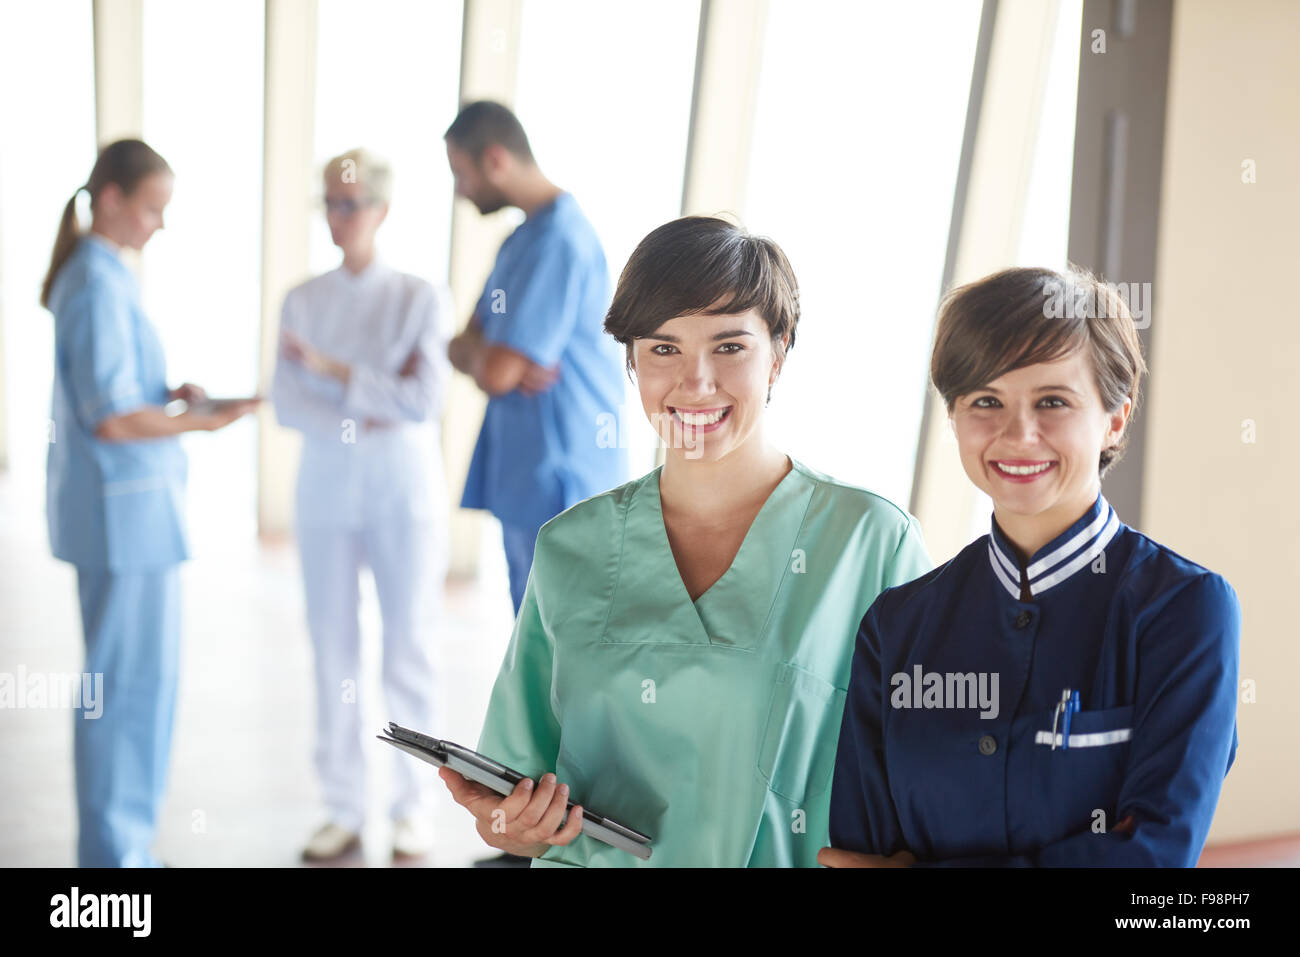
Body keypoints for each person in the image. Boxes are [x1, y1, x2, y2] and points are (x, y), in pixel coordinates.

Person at [438, 216, 933, 867]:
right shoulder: (570, 547)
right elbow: (508, 805)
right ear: (631, 361)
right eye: (663, 349)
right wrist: (510, 822)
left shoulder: (868, 541)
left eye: (730, 347)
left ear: (779, 353)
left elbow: (946, 773)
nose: (695, 382)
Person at [821, 266, 1240, 868]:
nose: (1019, 434)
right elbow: (860, 854)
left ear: (1115, 418)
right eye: (986, 401)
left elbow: (1155, 860)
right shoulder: (896, 626)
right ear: (954, 417)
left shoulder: (1185, 609)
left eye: (1052, 401)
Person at [41, 138, 259, 867]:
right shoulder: (97, 282)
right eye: (152, 209)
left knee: (136, 687)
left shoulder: (100, 275)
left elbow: (114, 393)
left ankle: (122, 845)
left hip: (127, 518)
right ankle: (114, 859)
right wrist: (203, 421)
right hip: (123, 521)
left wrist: (168, 396)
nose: (158, 225)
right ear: (111, 200)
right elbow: (106, 416)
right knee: (125, 692)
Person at [271, 148, 452, 864]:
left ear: (380, 209)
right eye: (328, 202)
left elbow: (424, 400)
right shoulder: (302, 299)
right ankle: (343, 803)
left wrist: (333, 372)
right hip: (324, 487)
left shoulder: (419, 296)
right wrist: (375, 391)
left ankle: (414, 804)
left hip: (402, 489)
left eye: (349, 203)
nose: (336, 216)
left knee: (409, 644)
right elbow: (287, 402)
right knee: (332, 647)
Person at [444, 100, 629, 617]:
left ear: (496, 160)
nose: (460, 190)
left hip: (563, 475)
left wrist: (487, 359)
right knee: (531, 635)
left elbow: (496, 372)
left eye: (462, 173)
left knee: (563, 647)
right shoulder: (520, 239)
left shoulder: (559, 242)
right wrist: (486, 356)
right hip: (527, 473)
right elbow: (459, 345)